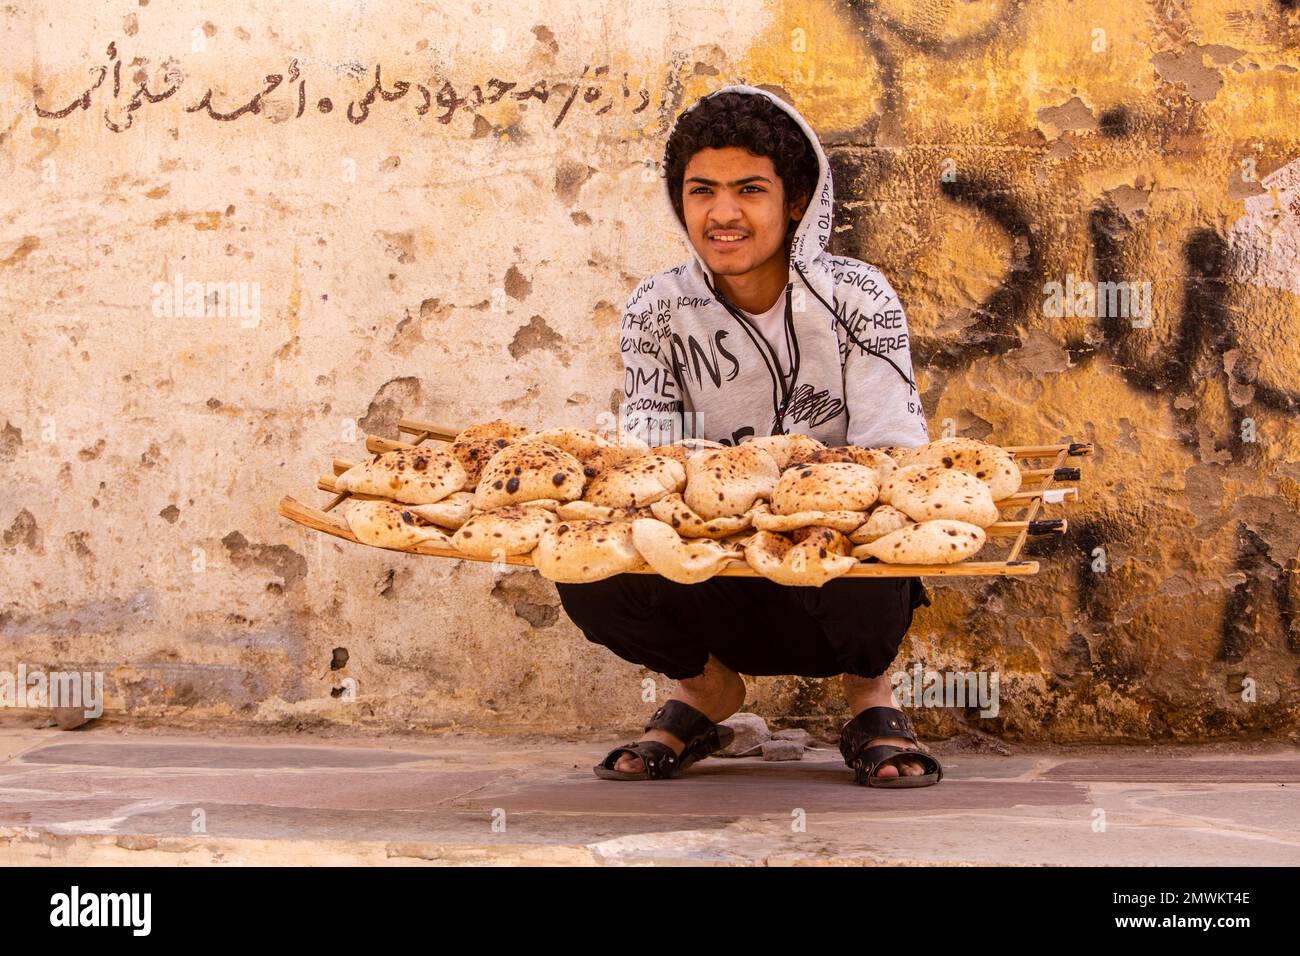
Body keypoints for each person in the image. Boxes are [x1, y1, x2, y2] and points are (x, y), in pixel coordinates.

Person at [554, 84, 941, 788]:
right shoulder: (657, 307)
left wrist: (798, 503)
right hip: (709, 572)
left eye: (749, 190)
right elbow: (651, 461)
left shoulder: (858, 297)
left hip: (832, 573)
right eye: (702, 190)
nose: (722, 213)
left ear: (795, 201)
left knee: (880, 534)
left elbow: (896, 451)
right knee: (585, 566)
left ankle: (869, 695)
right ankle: (705, 690)